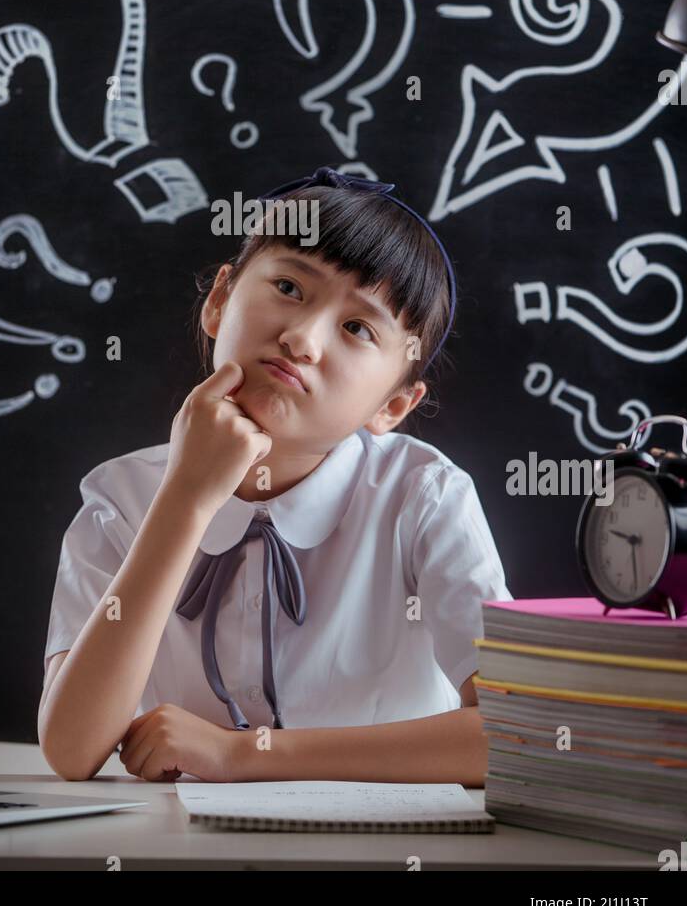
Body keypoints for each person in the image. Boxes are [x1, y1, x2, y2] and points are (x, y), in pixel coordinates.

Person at [39, 166, 512, 784]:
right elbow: (71, 749)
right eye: (289, 286)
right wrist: (186, 499)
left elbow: (515, 731)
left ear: (392, 406)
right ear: (219, 299)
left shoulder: (425, 497)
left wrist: (243, 755)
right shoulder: (121, 497)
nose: (302, 338)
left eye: (357, 328)